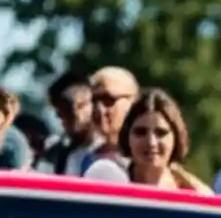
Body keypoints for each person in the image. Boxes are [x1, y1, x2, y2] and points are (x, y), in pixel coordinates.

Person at [83, 89, 211, 194]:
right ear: (127, 137)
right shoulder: (109, 183)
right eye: (140, 132)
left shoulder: (193, 194)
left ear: (176, 138)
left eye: (161, 133)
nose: (151, 142)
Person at [37, 72, 100, 176]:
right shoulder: (54, 155)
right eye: (64, 111)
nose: (76, 114)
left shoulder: (107, 152)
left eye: (80, 105)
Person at [83, 66, 140, 174]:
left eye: (108, 100)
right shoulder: (84, 156)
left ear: (133, 102)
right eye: (93, 100)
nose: (99, 109)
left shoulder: (148, 155)